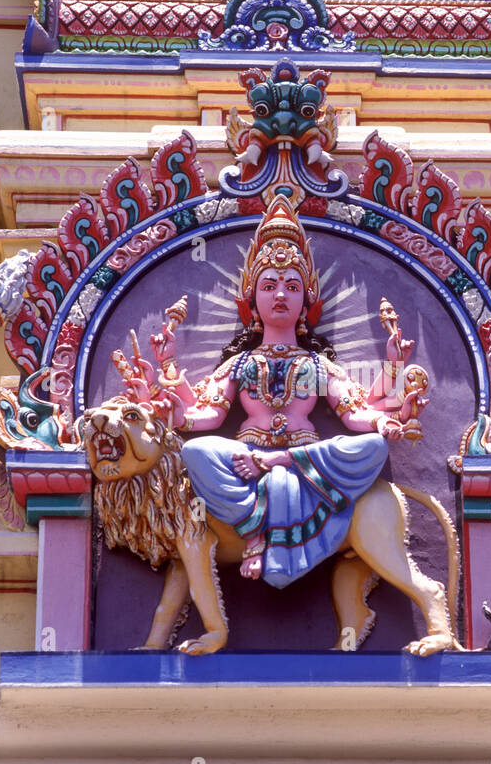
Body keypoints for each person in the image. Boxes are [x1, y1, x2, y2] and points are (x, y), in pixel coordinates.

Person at [151, 197, 408, 588]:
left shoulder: (319, 365)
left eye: (292, 286)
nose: (281, 295)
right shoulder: (239, 363)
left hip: (302, 460)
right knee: (196, 451)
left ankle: (277, 478)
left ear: (307, 301)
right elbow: (210, 416)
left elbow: (355, 414)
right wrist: (175, 408)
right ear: (251, 300)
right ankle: (256, 525)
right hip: (246, 458)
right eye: (269, 286)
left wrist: (386, 407)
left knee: (372, 447)